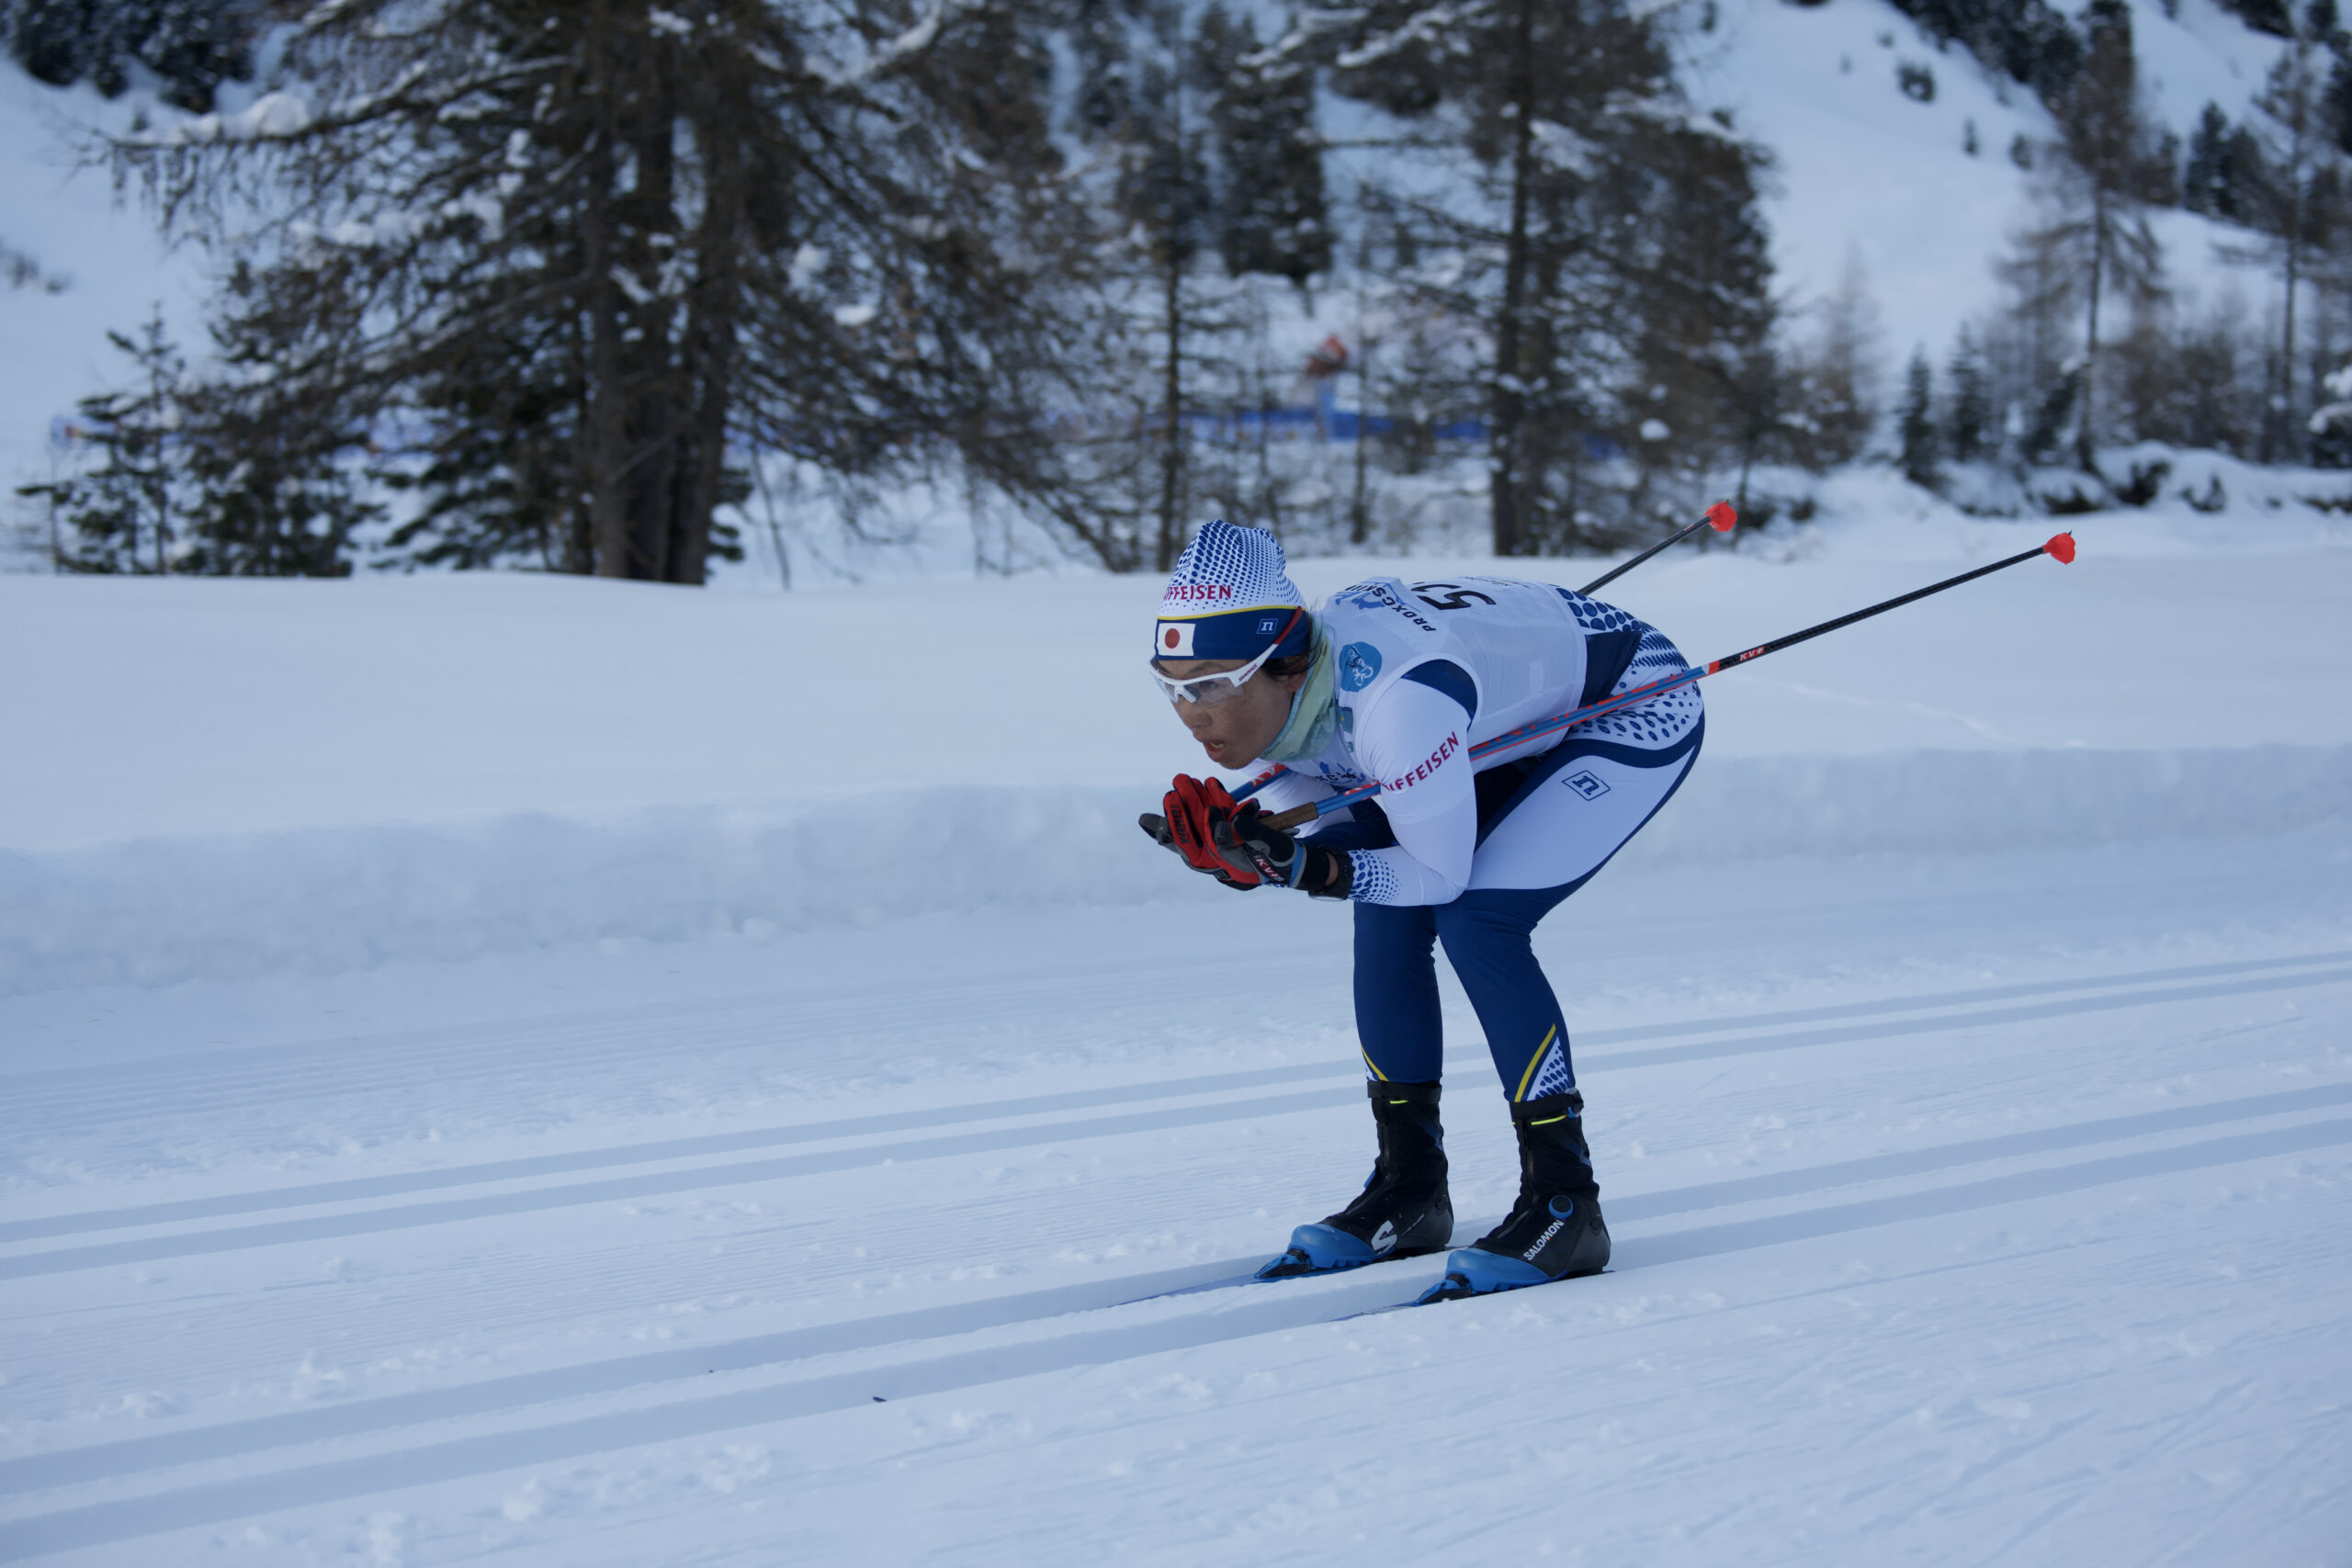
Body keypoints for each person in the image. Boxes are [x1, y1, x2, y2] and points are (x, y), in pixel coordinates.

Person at [1139, 520, 1704, 1300]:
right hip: (1488, 719)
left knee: (1477, 918)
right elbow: (1303, 788)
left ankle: (1565, 1201)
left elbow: (1436, 872)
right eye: (1169, 685)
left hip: (1628, 704)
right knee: (1385, 913)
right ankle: (1410, 1187)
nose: (1190, 713)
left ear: (1284, 667)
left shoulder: (1396, 704)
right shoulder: (1296, 687)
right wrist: (1247, 851)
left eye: (1208, 685)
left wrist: (1306, 865)